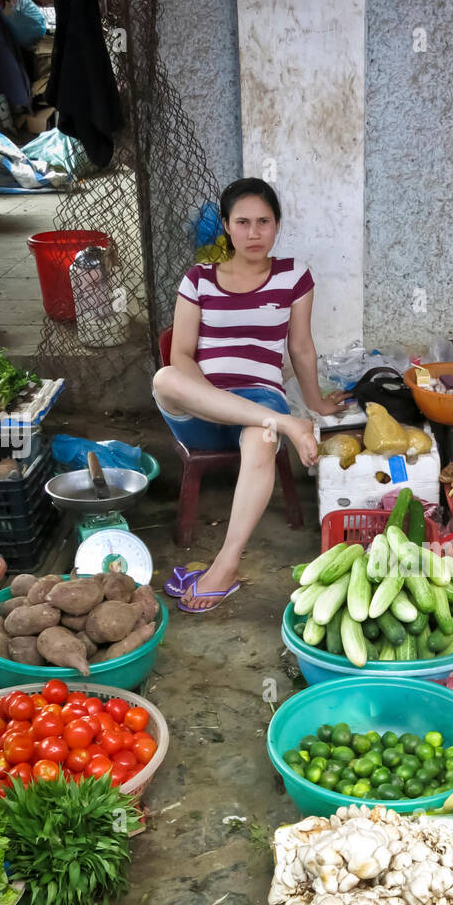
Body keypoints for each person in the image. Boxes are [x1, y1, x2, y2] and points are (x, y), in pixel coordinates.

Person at [153, 178, 348, 612]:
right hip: (205, 408)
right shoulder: (198, 279)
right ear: (225, 225)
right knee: (165, 377)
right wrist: (210, 399)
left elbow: (300, 347)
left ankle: (224, 565)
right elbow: (182, 354)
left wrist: (315, 403)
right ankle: (287, 425)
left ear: (277, 225)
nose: (254, 232)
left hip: (261, 403)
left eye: (264, 222)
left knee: (259, 436)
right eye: (242, 222)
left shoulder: (294, 277)